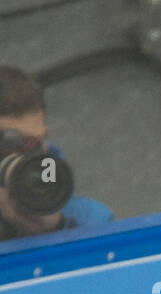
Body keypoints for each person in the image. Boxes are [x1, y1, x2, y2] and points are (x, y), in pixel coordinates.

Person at [0, 66, 112, 241]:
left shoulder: (91, 221)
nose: (24, 158)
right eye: (8, 144)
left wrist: (55, 231)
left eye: (34, 143)